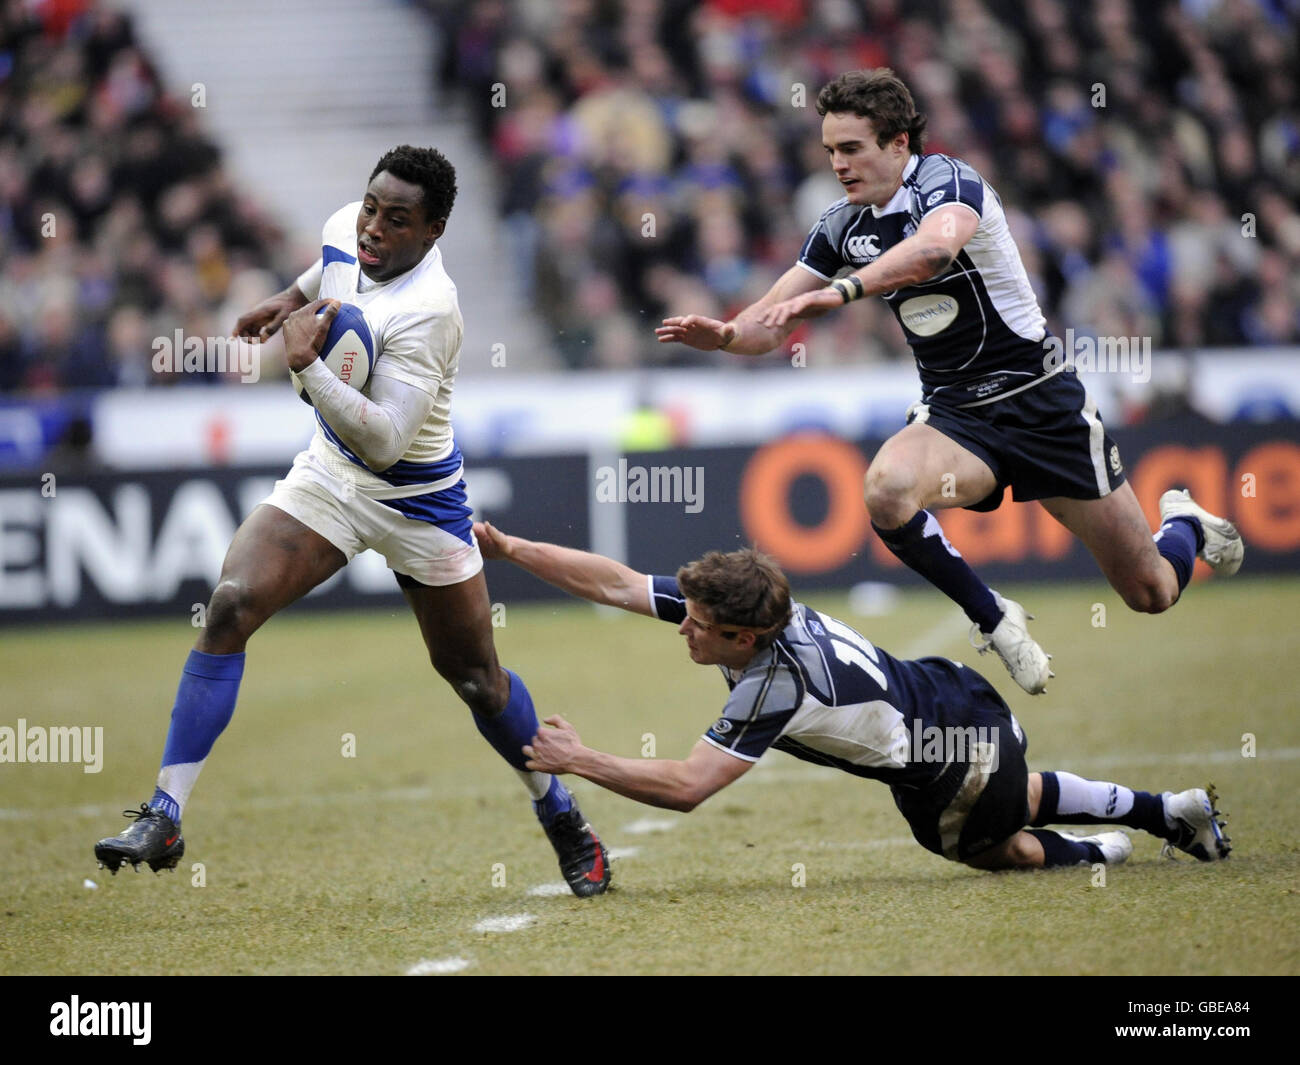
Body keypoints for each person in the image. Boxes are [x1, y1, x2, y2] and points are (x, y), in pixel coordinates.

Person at [93, 146, 610, 897]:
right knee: (232, 603)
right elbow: (327, 271)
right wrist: (282, 298)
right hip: (332, 476)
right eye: (371, 206)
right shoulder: (347, 227)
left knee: (475, 680)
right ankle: (165, 812)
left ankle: (560, 812)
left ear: (432, 233)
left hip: (418, 500)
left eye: (396, 220)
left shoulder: (433, 312)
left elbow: (387, 439)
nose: (372, 228)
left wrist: (304, 366)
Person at [655, 69, 1243, 696]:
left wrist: (842, 291)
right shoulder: (839, 225)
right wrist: (723, 335)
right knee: (885, 490)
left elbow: (933, 253)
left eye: (852, 148)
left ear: (899, 143)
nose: (838, 164)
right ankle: (994, 617)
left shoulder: (948, 181)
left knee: (1150, 592)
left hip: (1041, 402)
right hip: (957, 417)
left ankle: (1183, 523)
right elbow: (769, 323)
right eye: (830, 150)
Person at [474, 520, 1231, 872]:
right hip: (956, 695)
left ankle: (1099, 851)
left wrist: (579, 757)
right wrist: (513, 549)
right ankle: (1169, 810)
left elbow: (688, 786)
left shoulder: (776, 682)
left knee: (998, 848)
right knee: (1019, 788)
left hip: (950, 766)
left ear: (744, 637)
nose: (685, 629)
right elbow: (613, 582)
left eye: (700, 626)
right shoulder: (759, 609)